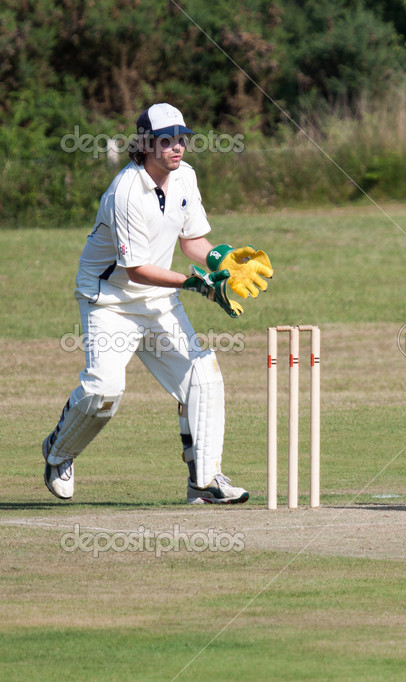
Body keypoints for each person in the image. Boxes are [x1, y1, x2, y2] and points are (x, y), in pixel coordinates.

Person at [43, 103, 273, 504]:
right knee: (105, 390)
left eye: (181, 139)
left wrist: (222, 260)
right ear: (146, 144)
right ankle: (58, 453)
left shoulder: (185, 177)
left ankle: (204, 481)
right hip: (110, 301)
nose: (176, 148)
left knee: (204, 376)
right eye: (166, 141)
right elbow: (135, 269)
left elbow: (192, 241)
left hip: (158, 300)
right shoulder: (126, 191)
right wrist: (193, 282)